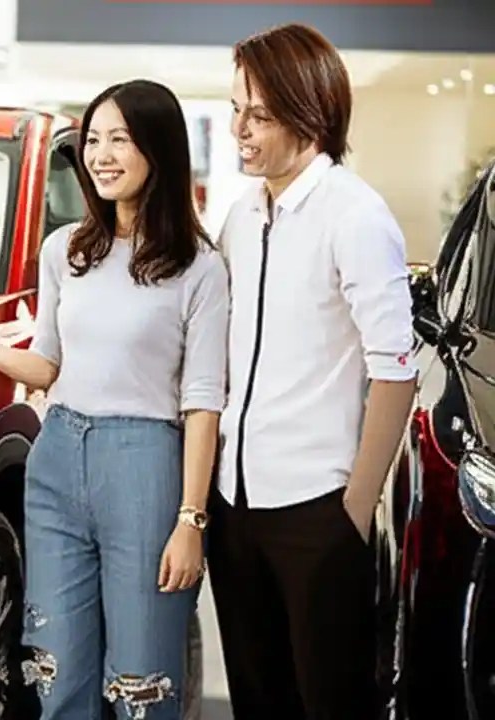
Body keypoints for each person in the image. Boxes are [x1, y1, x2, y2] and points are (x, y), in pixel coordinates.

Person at [0, 79, 228, 720]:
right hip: (57, 460)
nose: (100, 155)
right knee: (54, 666)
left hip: (146, 467)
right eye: (94, 141)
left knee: (140, 676)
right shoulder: (65, 250)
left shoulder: (199, 268)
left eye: (119, 140)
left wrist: (191, 520)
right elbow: (48, 365)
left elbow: (203, 402)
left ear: (158, 149)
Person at [206, 23, 417, 720]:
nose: (239, 128)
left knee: (329, 703)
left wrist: (353, 511)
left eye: (258, 115)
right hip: (236, 508)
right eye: (236, 107)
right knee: (257, 701)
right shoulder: (242, 214)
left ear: (310, 114)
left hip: (316, 514)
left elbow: (396, 370)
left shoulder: (355, 217)